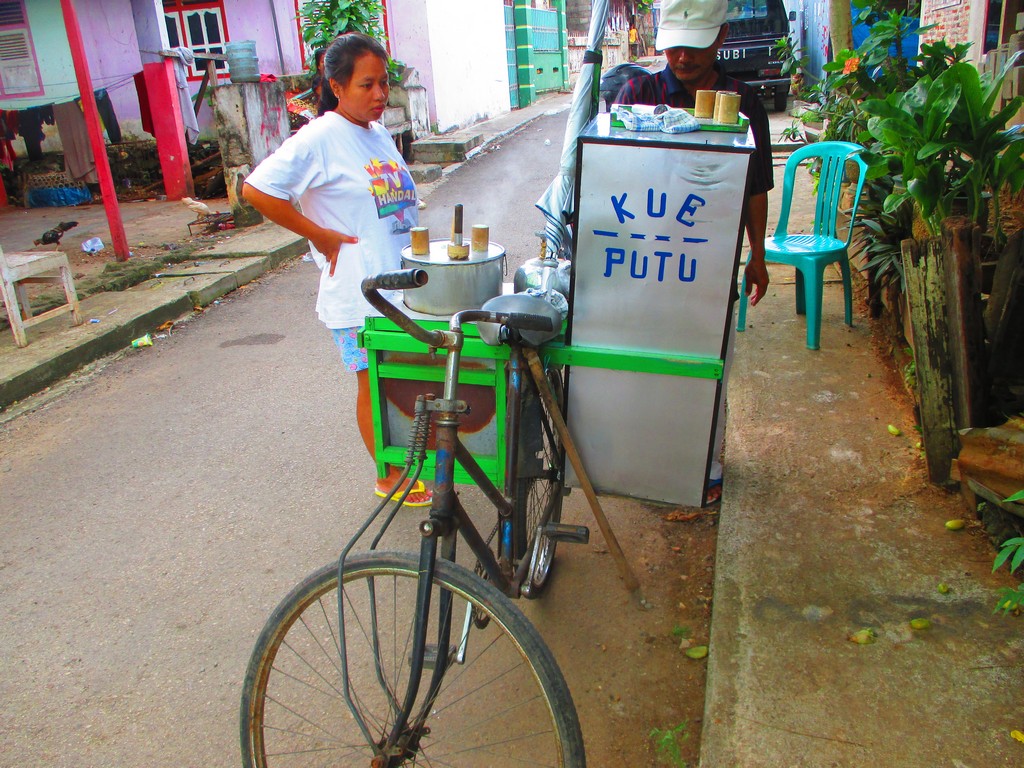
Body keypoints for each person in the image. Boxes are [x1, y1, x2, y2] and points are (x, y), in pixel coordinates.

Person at [242, 33, 431, 507]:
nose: (380, 94)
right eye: (367, 85)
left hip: (399, 286)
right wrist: (319, 236)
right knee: (373, 383)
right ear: (337, 86)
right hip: (358, 292)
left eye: (384, 83)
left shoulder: (376, 133)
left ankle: (408, 461)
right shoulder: (320, 138)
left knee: (403, 380)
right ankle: (388, 475)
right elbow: (257, 190)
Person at [614, 0, 773, 504]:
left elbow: (756, 187)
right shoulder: (637, 94)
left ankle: (702, 467)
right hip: (645, 257)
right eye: (674, 46)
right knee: (643, 358)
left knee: (707, 362)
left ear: (721, 36)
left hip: (710, 260)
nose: (682, 57)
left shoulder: (743, 101)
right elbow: (610, 174)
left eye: (696, 45)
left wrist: (757, 255)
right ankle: (641, 459)